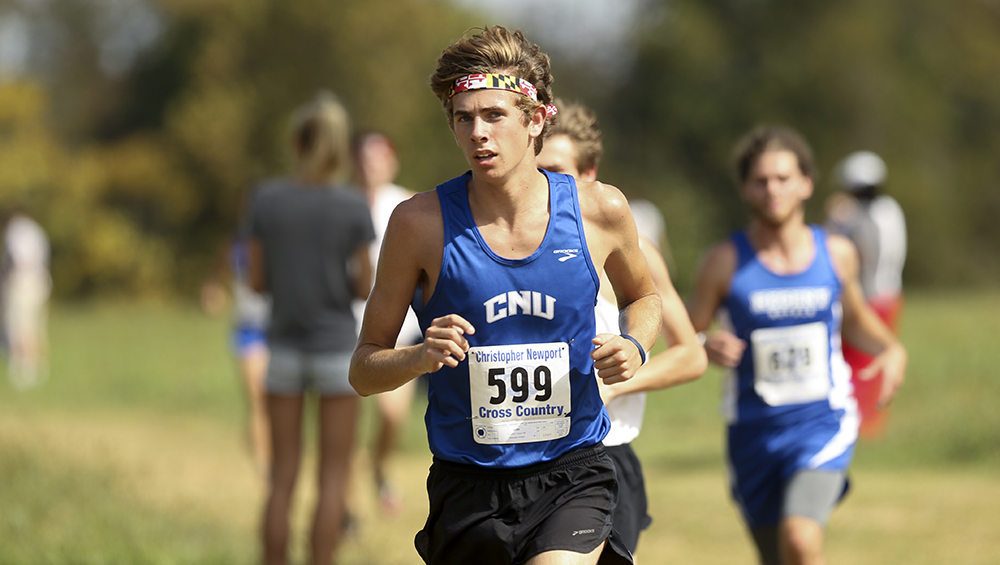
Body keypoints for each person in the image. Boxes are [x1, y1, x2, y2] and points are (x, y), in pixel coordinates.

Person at [350, 26, 661, 565]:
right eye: (463, 118)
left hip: (571, 471)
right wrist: (419, 357)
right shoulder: (418, 224)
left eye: (494, 115)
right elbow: (362, 369)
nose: (478, 133)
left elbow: (645, 297)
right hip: (467, 485)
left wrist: (634, 346)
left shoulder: (600, 210)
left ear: (536, 119)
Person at [685, 125, 907, 565]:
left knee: (801, 540)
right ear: (745, 189)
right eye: (761, 181)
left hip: (822, 422)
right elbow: (686, 335)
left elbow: (856, 321)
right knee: (778, 556)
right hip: (753, 432)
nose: (773, 190)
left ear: (806, 183)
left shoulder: (837, 253)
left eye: (783, 178)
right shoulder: (723, 262)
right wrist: (706, 345)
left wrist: (891, 349)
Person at [535, 99, 707, 556]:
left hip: (604, 454)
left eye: (557, 171)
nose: (544, 184)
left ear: (589, 174)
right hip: (520, 458)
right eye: (535, 171)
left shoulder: (633, 251)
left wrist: (616, 383)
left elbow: (691, 355)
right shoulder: (504, 249)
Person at [249, 92, 375, 565]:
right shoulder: (351, 205)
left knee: (282, 475)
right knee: (333, 476)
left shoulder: (266, 199)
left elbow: (255, 281)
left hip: (282, 347)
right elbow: (365, 286)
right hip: (336, 350)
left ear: (295, 142)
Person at [350, 131, 423, 515]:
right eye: (364, 159)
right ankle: (346, 508)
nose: (370, 167)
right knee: (344, 423)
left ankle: (378, 467)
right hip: (343, 325)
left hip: (399, 328)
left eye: (378, 159)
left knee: (392, 415)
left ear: (392, 163)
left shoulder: (408, 205)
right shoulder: (340, 204)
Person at [825, 151, 906, 439]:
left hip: (866, 297)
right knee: (876, 358)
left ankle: (861, 422)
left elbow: (842, 252)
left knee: (860, 362)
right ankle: (871, 421)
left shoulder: (856, 217)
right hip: (890, 294)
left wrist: (834, 218)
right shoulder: (891, 210)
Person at [201, 190, 272, 480]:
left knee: (275, 400)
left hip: (279, 329)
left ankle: (265, 448)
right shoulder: (234, 244)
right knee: (258, 397)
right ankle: (263, 468)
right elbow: (214, 277)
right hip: (248, 329)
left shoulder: (281, 240)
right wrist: (212, 293)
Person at [1, 209, 51, 389]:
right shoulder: (37, 230)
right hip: (40, 282)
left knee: (20, 325)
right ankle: (37, 365)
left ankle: (24, 369)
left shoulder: (16, 231)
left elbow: (16, 260)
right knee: (34, 325)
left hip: (22, 282)